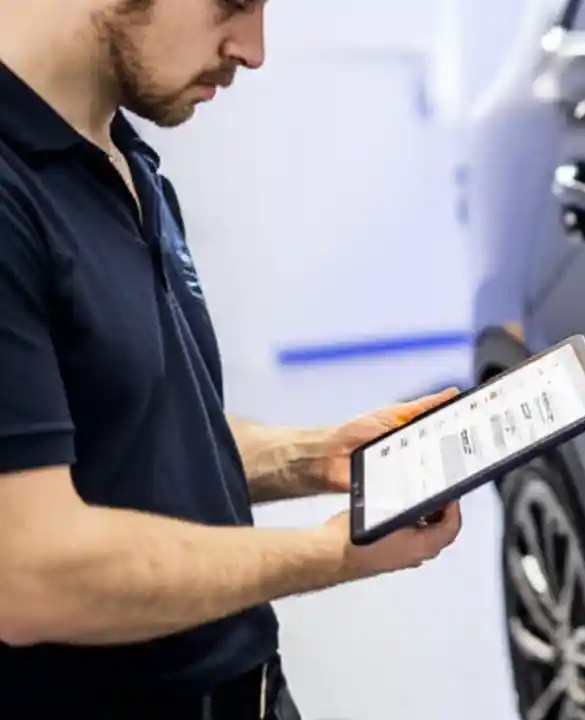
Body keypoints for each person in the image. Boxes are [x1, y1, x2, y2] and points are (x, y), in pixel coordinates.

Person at [0, 1, 463, 717]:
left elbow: (134, 433)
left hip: (243, 682)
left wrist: (315, 456)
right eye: (233, 3)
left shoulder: (122, 149)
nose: (253, 49)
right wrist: (333, 554)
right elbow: (31, 574)